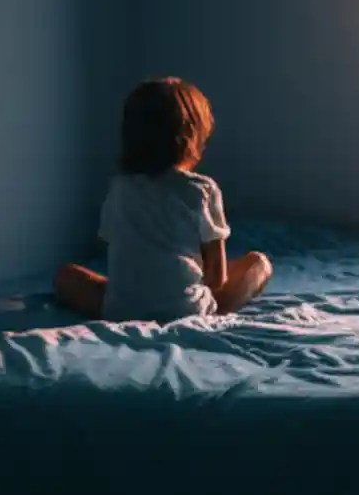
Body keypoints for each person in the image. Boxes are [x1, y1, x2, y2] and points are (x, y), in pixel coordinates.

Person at [53, 78, 271, 321]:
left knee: (67, 275)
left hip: (121, 309)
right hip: (184, 310)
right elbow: (216, 279)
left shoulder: (120, 188)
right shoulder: (202, 189)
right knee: (258, 264)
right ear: (191, 136)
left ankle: (149, 302)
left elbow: (114, 249)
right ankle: (209, 309)